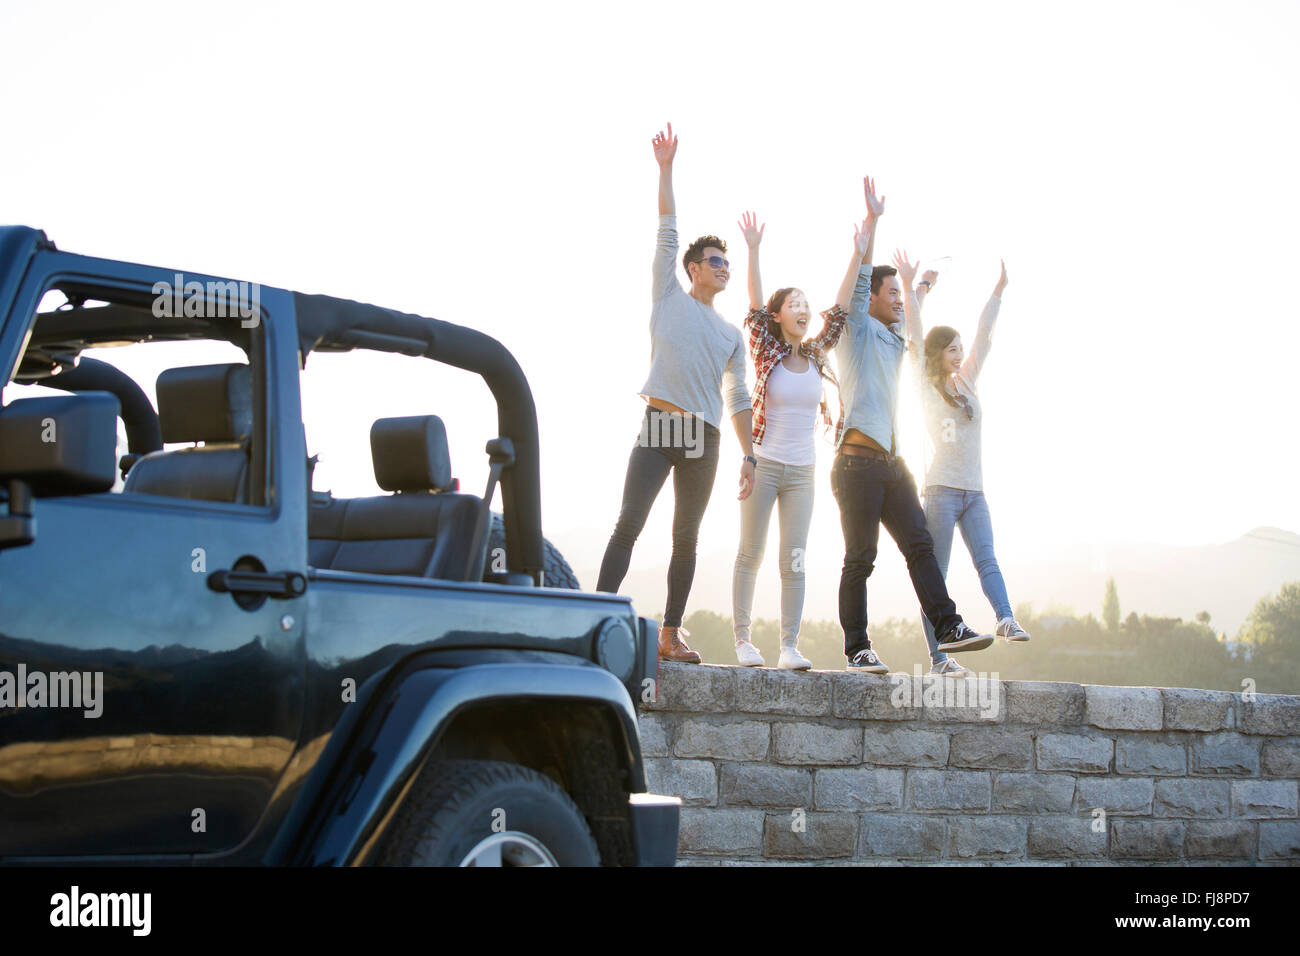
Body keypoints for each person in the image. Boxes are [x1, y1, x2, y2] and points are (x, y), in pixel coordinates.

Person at [596, 122, 755, 663]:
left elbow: (738, 398)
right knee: (629, 524)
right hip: (661, 424)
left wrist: (750, 453)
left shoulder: (731, 334)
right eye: (716, 261)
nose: (724, 269)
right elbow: (667, 228)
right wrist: (666, 170)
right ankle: (597, 615)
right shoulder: (669, 295)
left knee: (685, 539)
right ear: (693, 269)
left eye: (728, 264)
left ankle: (670, 633)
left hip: (705, 438)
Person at [831, 179, 994, 673]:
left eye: (899, 295)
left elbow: (911, 308)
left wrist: (919, 285)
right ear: (872, 298)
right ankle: (858, 647)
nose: (898, 300)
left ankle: (947, 625)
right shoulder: (855, 332)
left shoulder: (896, 331)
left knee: (919, 545)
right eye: (891, 293)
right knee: (861, 557)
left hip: (893, 464)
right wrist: (873, 226)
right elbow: (857, 288)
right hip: (856, 466)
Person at [729, 208, 875, 669]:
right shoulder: (765, 345)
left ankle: (789, 645)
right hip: (765, 462)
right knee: (751, 552)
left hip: (803, 471)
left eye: (805, 304)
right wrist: (753, 251)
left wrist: (859, 251)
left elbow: (842, 306)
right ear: (778, 315)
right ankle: (743, 640)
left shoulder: (815, 352)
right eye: (793, 303)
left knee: (794, 558)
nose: (804, 310)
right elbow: (752, 306)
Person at [892, 252, 1031, 678]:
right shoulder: (924, 385)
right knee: (937, 576)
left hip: (975, 491)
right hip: (941, 491)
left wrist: (998, 291)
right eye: (952, 350)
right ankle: (938, 659)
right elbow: (914, 332)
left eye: (960, 349)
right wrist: (913, 285)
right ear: (938, 354)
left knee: (987, 558)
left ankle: (1004, 617)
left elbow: (984, 337)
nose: (959, 355)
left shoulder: (967, 382)